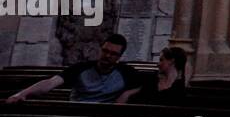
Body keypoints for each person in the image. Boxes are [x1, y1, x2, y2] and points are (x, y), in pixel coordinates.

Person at [6, 34, 141, 104]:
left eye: (113, 54)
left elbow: (148, 83)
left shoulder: (125, 72)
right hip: (77, 111)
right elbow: (50, 83)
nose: (107, 56)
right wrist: (21, 94)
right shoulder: (81, 68)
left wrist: (127, 94)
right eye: (105, 50)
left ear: (120, 56)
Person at [119, 47, 187, 103]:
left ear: (171, 61)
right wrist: (127, 93)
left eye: (161, 60)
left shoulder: (179, 88)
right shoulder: (152, 79)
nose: (158, 64)